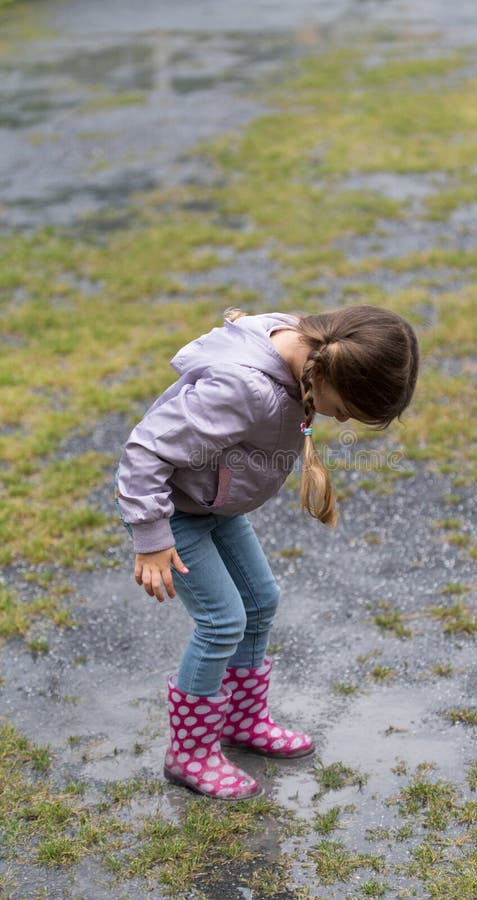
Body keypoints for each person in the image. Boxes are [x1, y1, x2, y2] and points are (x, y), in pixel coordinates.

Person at [115, 305, 419, 800]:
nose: (340, 418)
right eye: (343, 409)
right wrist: (152, 537)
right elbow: (147, 450)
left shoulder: (306, 345)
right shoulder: (243, 389)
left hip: (214, 504)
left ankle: (242, 722)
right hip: (173, 510)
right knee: (221, 621)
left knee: (260, 601)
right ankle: (189, 754)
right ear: (324, 373)